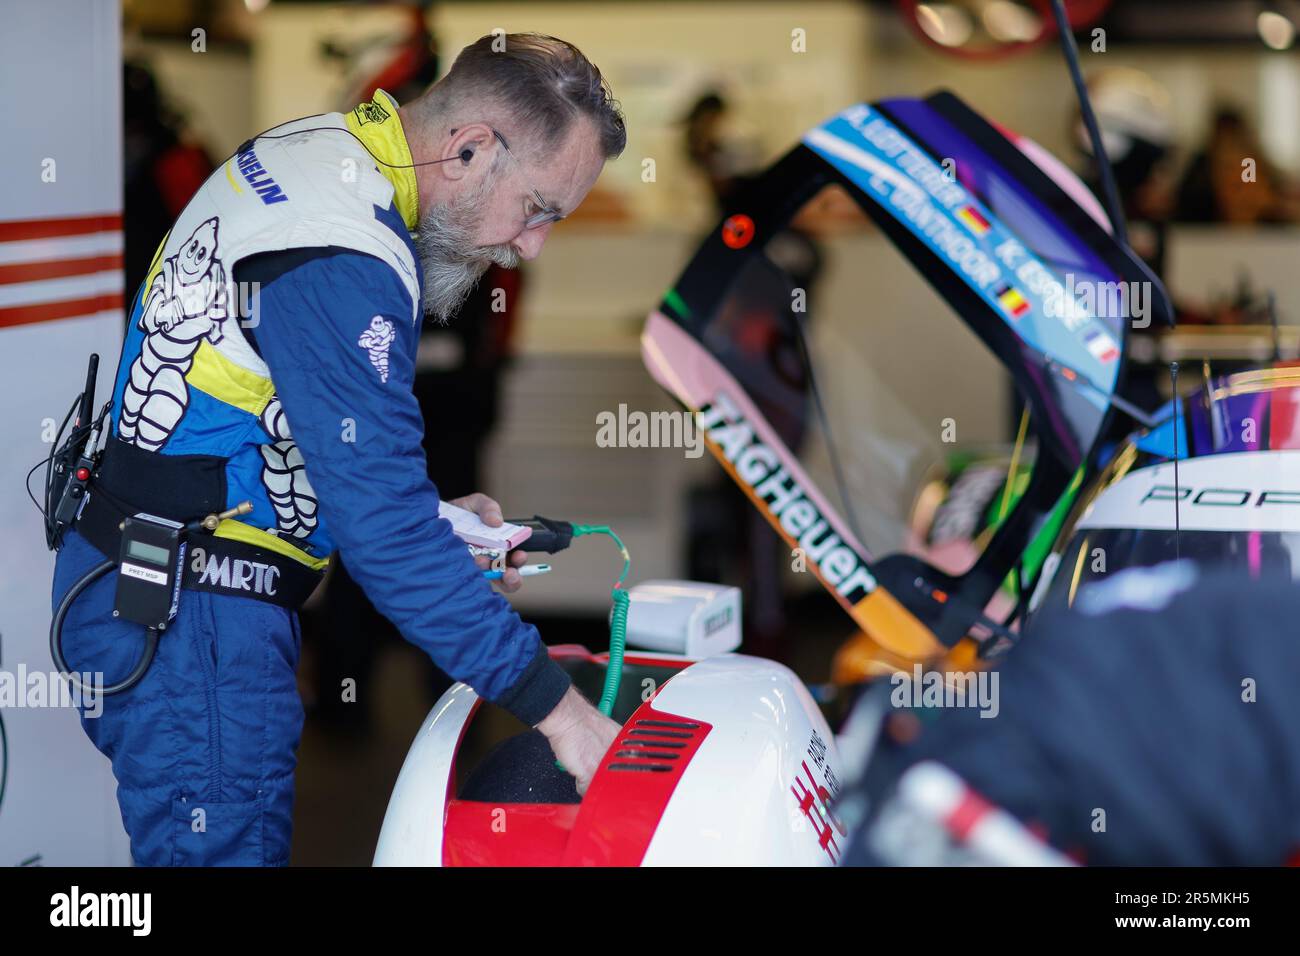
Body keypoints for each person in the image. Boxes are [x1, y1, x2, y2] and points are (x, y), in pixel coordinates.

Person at [51, 33, 626, 866]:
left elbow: (288, 424)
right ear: (469, 149)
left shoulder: (322, 150)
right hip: (194, 623)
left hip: (161, 590)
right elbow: (385, 538)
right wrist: (564, 717)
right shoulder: (343, 252)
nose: (529, 245)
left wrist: (424, 520)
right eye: (537, 208)